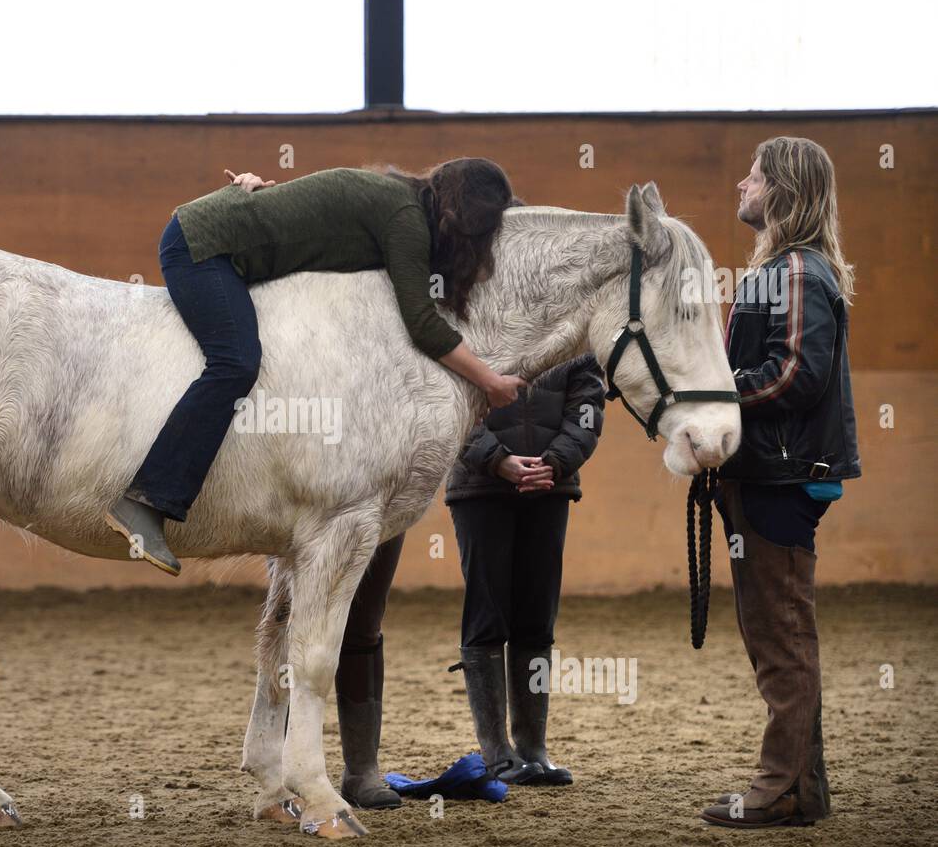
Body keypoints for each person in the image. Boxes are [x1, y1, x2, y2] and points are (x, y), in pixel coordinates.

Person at [105, 160, 527, 576]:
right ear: (456, 216)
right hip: (201, 251)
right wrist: (489, 381)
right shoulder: (406, 220)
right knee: (235, 362)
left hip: (220, 248)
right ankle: (144, 503)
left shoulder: (398, 204)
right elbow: (421, 323)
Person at [701, 136, 861, 829]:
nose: (742, 185)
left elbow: (796, 373)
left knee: (781, 635)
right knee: (779, 630)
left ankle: (782, 785)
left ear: (784, 191)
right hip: (772, 472)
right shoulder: (791, 271)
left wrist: (713, 394)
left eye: (756, 177)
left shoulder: (794, 272)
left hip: (776, 475)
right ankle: (804, 782)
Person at [445, 355, 606, 785]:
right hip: (479, 487)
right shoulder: (474, 328)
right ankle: (496, 750)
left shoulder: (576, 340)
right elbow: (449, 402)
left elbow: (588, 410)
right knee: (487, 616)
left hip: (550, 487)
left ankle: (533, 747)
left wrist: (554, 462)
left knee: (537, 620)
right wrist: (498, 461)